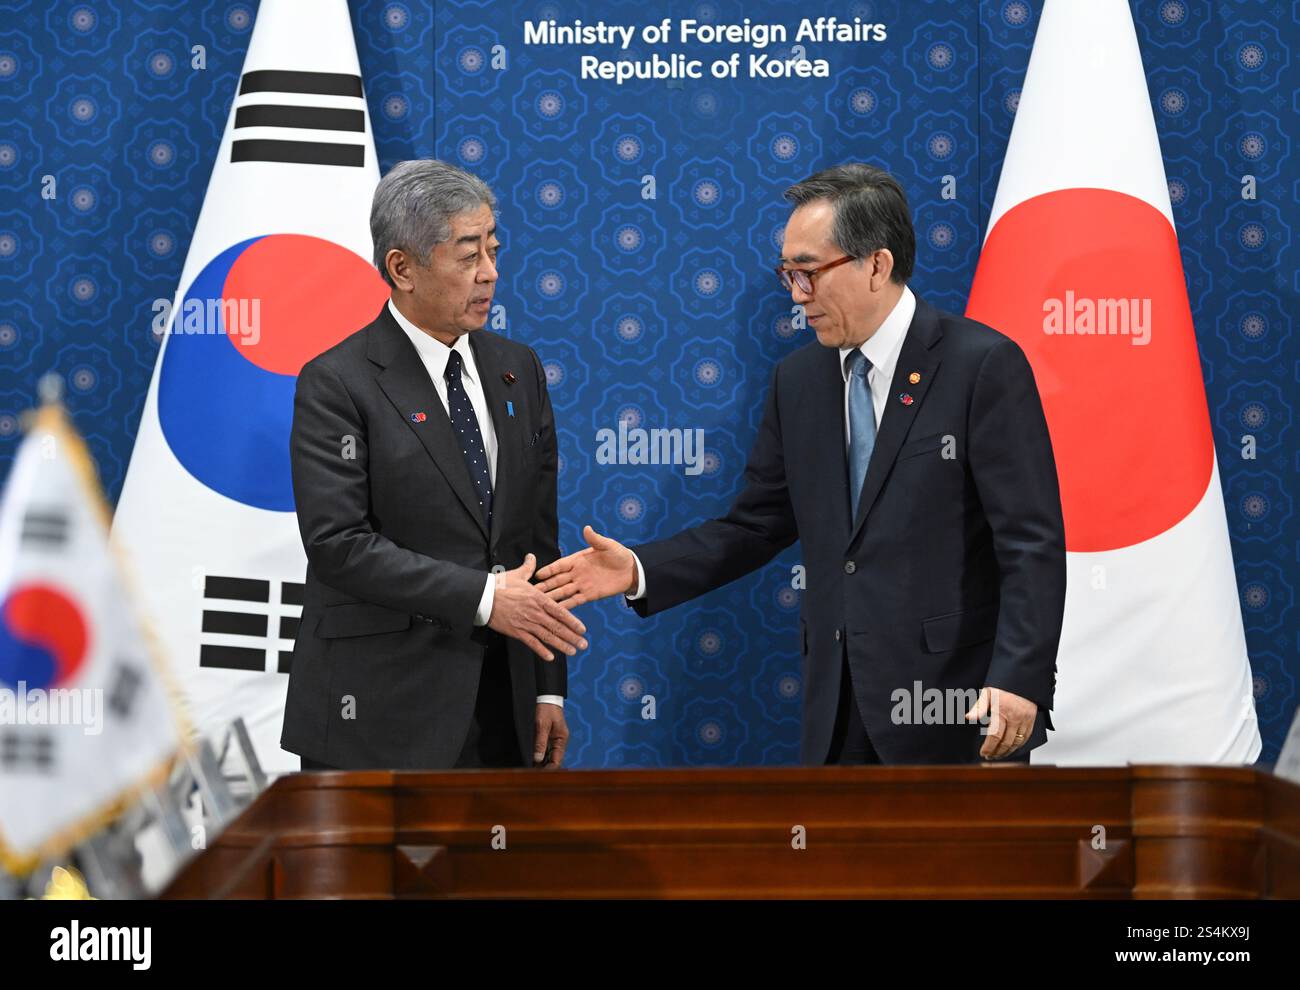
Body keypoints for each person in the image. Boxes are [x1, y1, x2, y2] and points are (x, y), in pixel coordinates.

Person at [536, 163, 1066, 765]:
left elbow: (1030, 542)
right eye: (789, 273)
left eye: (809, 272)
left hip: (959, 706)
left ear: (877, 265)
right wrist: (636, 568)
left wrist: (1020, 679)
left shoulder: (981, 366)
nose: (795, 295)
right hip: (838, 712)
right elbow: (757, 524)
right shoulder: (800, 380)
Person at [281, 160, 586, 771]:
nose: (491, 274)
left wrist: (548, 684)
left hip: (503, 709)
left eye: (494, 250)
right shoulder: (337, 382)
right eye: (468, 256)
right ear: (403, 269)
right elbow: (338, 544)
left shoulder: (518, 368)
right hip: (375, 712)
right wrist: (484, 596)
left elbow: (536, 541)